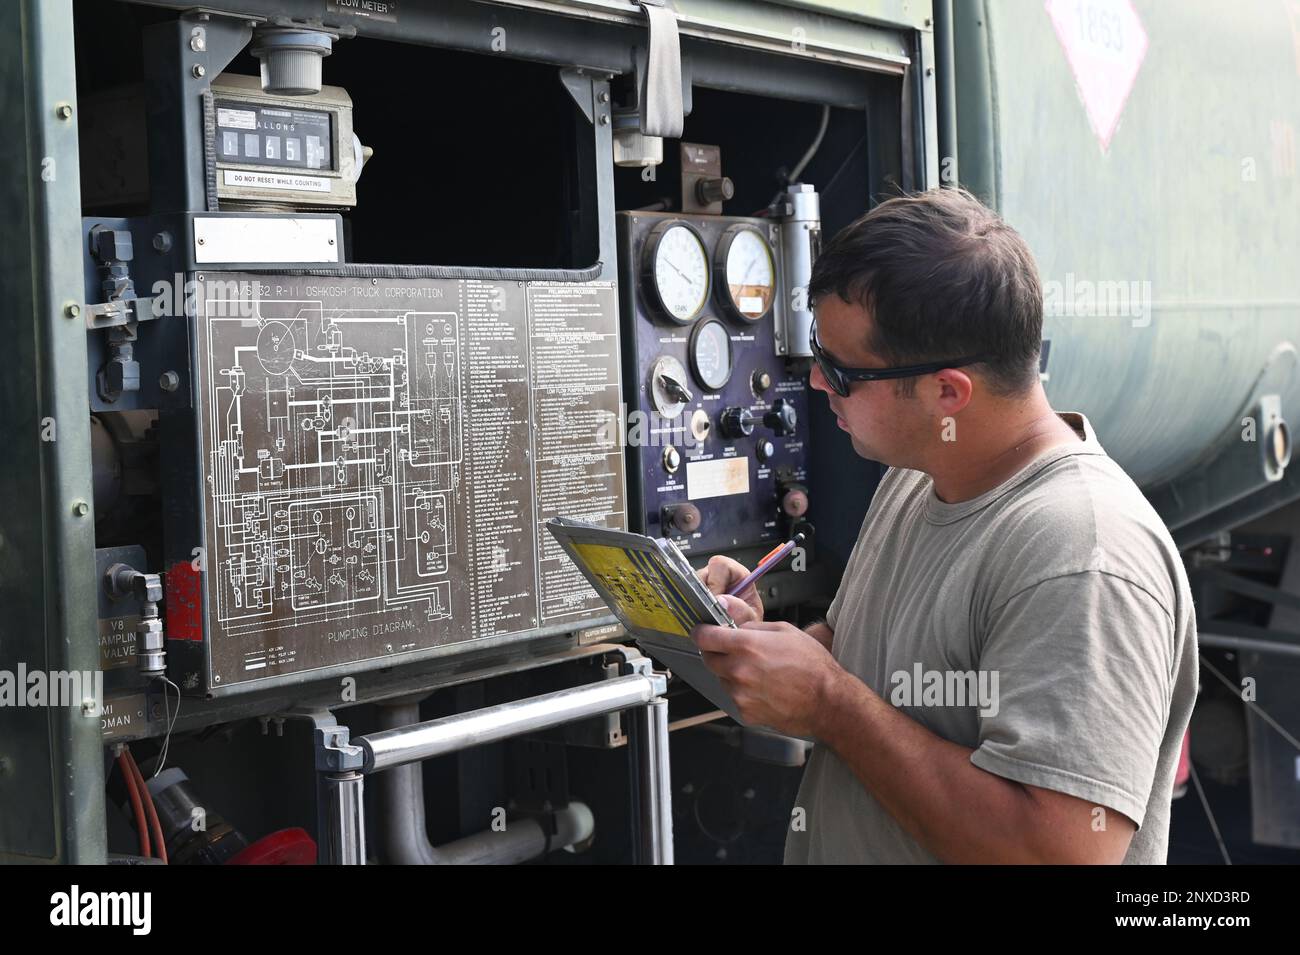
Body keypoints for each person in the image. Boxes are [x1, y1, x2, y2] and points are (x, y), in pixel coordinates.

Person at [692, 188, 1198, 864]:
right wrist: (768, 647)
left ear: (948, 393)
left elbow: (1056, 853)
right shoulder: (919, 473)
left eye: (841, 371)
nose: (815, 382)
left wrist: (830, 705)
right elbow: (872, 666)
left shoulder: (1083, 554)